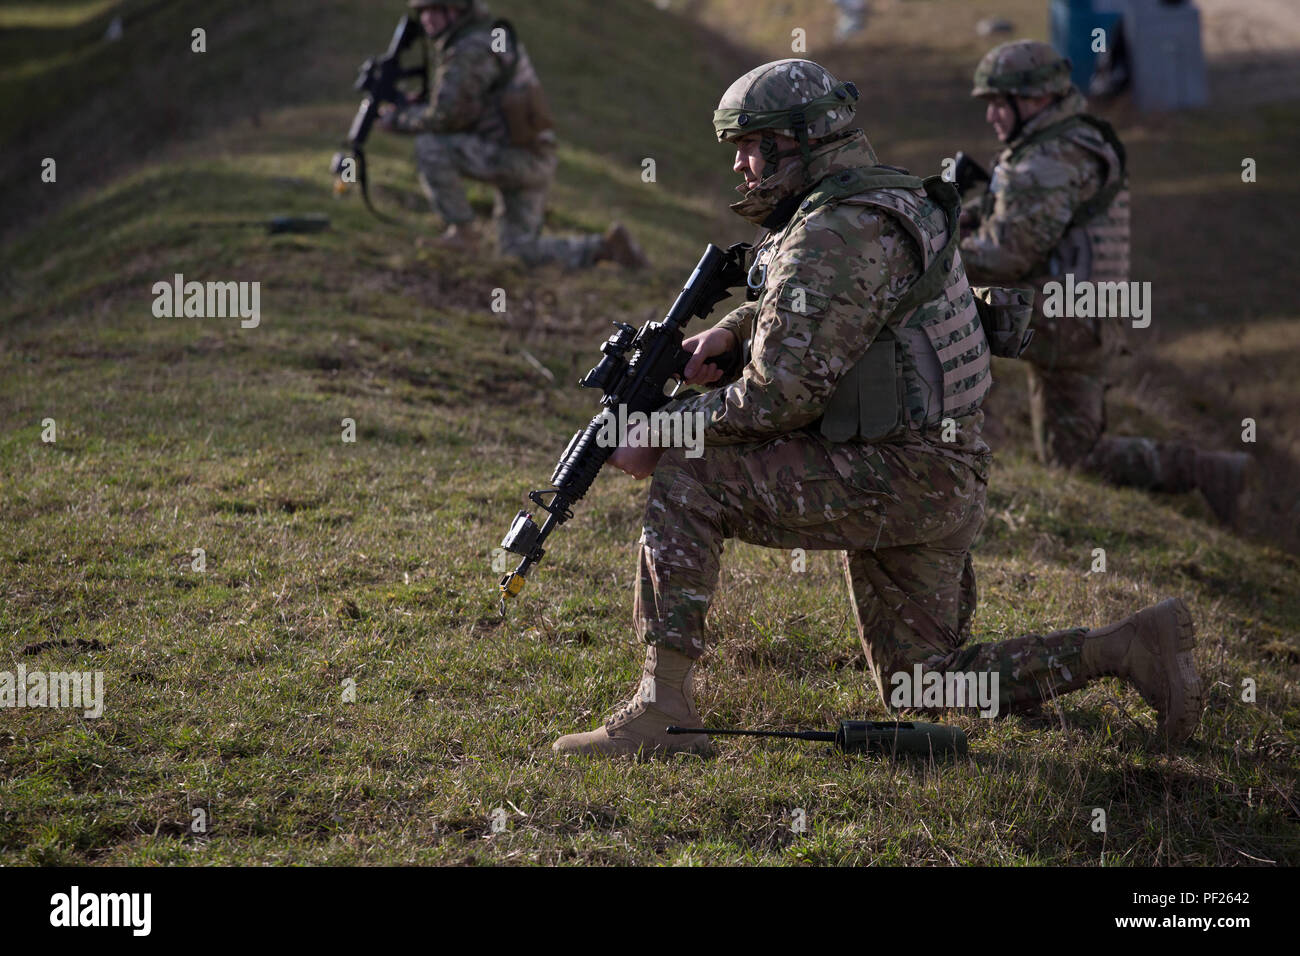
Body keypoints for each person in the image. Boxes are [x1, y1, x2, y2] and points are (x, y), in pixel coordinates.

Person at [551, 58, 1203, 760]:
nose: (739, 164)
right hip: (935, 469)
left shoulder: (833, 229)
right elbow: (828, 308)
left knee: (687, 477)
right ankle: (1129, 646)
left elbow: (779, 396)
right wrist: (734, 331)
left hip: (902, 471)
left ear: (796, 141)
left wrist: (661, 430)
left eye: (750, 144)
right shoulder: (868, 199)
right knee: (925, 690)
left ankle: (659, 711)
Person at [960, 40, 1250, 525]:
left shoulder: (1047, 161)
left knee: (938, 312)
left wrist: (936, 248)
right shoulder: (1068, 141)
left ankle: (919, 457)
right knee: (1074, 457)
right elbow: (1023, 229)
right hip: (1081, 313)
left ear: (1032, 100)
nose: (991, 115)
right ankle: (1211, 471)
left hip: (1062, 318)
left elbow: (1005, 257)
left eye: (997, 101)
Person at [379, 0, 648, 269]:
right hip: (533, 155)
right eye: (423, 11)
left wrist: (399, 119)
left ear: (457, 9)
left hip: (516, 157)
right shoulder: (487, 35)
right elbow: (467, 106)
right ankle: (607, 247)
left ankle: (462, 234)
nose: (427, 19)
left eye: (435, 10)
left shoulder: (472, 47)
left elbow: (446, 117)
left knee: (430, 146)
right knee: (519, 252)